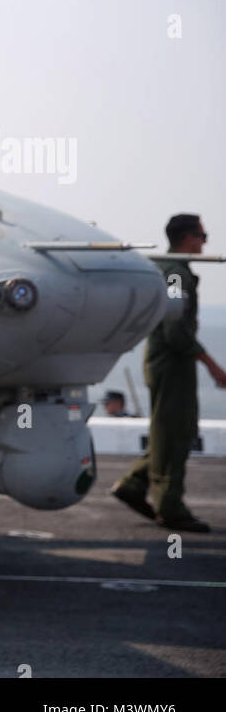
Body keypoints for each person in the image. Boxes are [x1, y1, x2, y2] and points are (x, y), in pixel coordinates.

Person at [111, 214, 225, 533]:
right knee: (173, 433)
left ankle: (135, 484)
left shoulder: (171, 270)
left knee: (178, 431)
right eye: (203, 236)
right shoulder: (175, 273)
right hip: (171, 363)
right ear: (187, 238)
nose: (205, 243)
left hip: (169, 362)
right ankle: (170, 507)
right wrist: (213, 366)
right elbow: (176, 332)